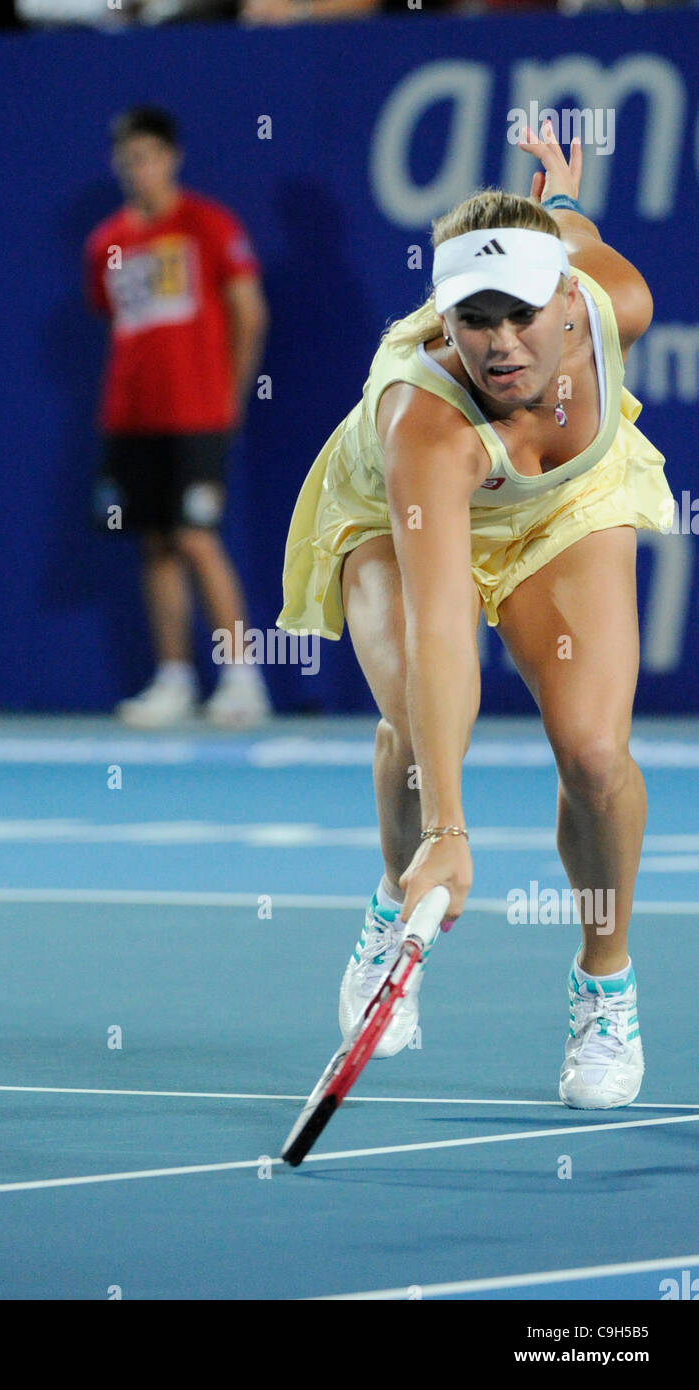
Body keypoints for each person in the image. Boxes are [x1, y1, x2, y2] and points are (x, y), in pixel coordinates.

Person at [277, 120, 674, 1108]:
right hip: (393, 511)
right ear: (440, 320)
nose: (500, 344)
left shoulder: (613, 304)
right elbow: (442, 625)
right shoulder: (422, 421)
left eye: (521, 314)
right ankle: (392, 897)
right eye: (472, 319)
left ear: (563, 305)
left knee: (591, 756)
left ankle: (603, 982)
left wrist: (561, 195)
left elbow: (570, 232)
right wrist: (447, 828)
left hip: (564, 504)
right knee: (417, 722)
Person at [85, 107, 271, 728]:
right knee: (156, 543)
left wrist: (231, 398)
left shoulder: (209, 225)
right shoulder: (105, 243)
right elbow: (120, 325)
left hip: (199, 414)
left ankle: (242, 677)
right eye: (127, 159)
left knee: (196, 538)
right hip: (131, 418)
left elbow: (249, 312)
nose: (138, 170)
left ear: (171, 158)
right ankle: (173, 678)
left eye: (148, 156)